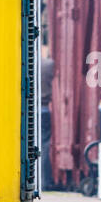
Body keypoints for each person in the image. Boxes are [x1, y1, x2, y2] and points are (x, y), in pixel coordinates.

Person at [40, 48, 56, 191]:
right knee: (44, 145)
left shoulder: (22, 65)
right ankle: (45, 181)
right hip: (44, 108)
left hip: (27, 110)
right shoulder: (48, 64)